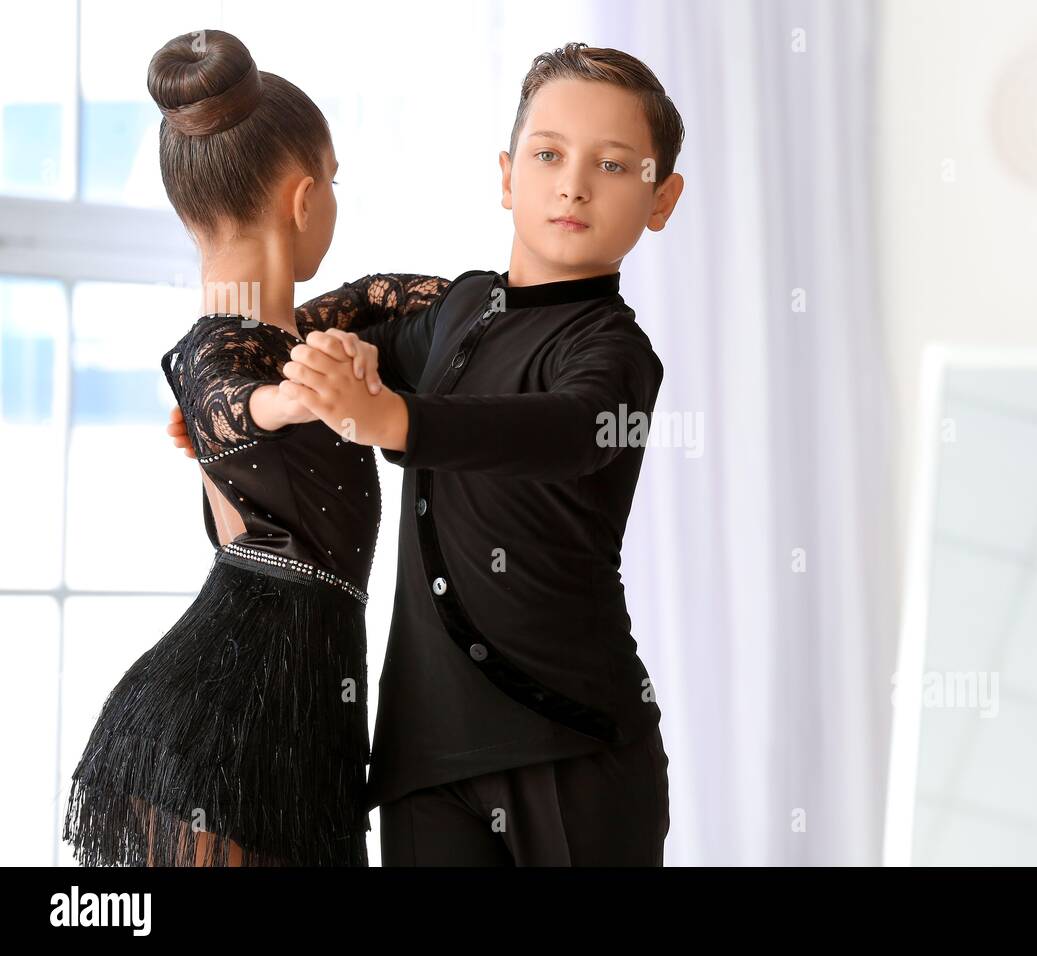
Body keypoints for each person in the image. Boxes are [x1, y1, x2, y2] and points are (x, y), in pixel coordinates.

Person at [170, 42, 686, 865]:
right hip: (421, 761)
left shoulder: (613, 351)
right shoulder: (457, 310)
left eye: (615, 165)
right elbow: (293, 335)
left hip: (574, 746)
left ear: (662, 200)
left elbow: (564, 430)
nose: (573, 183)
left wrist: (393, 419)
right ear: (506, 176)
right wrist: (222, 398)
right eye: (548, 155)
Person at [61, 28, 446, 867]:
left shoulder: (297, 333)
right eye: (336, 183)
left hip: (300, 708)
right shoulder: (217, 351)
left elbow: (386, 294)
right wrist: (289, 398)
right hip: (227, 718)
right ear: (305, 200)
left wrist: (494, 303)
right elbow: (227, 399)